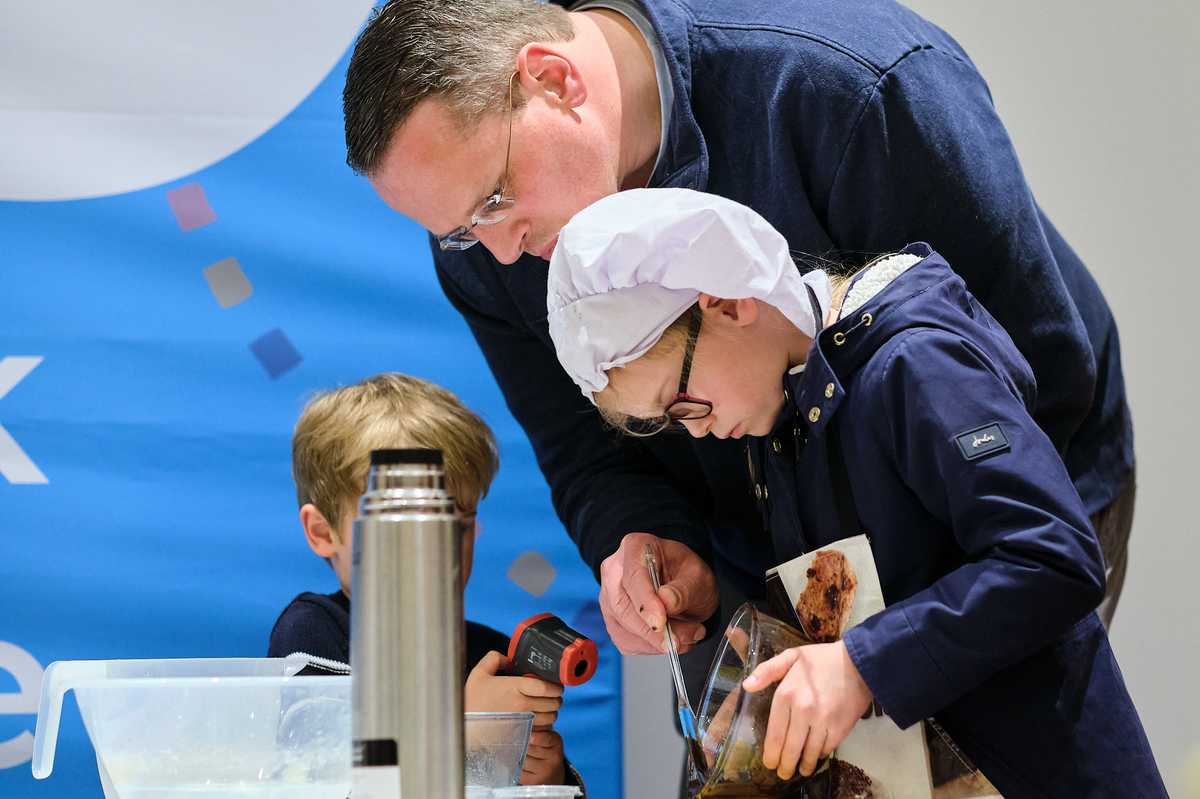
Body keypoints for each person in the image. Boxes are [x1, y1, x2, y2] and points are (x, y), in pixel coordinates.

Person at [341, 0, 1134, 665]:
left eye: (493, 199)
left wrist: (889, 651)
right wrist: (644, 543)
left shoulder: (852, 87)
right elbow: (587, 454)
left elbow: (1041, 374)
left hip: (1002, 513)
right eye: (456, 232)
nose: (503, 248)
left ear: (554, 78)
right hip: (775, 571)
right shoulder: (489, 254)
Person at [544, 187, 1165, 798]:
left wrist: (861, 666)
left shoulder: (914, 364)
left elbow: (1054, 555)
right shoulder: (779, 410)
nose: (695, 429)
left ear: (730, 303)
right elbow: (881, 595)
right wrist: (776, 687)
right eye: (666, 424)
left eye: (681, 402)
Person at [267, 373, 586, 790]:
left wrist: (545, 779)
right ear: (323, 532)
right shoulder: (315, 630)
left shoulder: (491, 654)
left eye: (460, 521)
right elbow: (320, 778)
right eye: (400, 521)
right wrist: (467, 732)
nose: (436, 545)